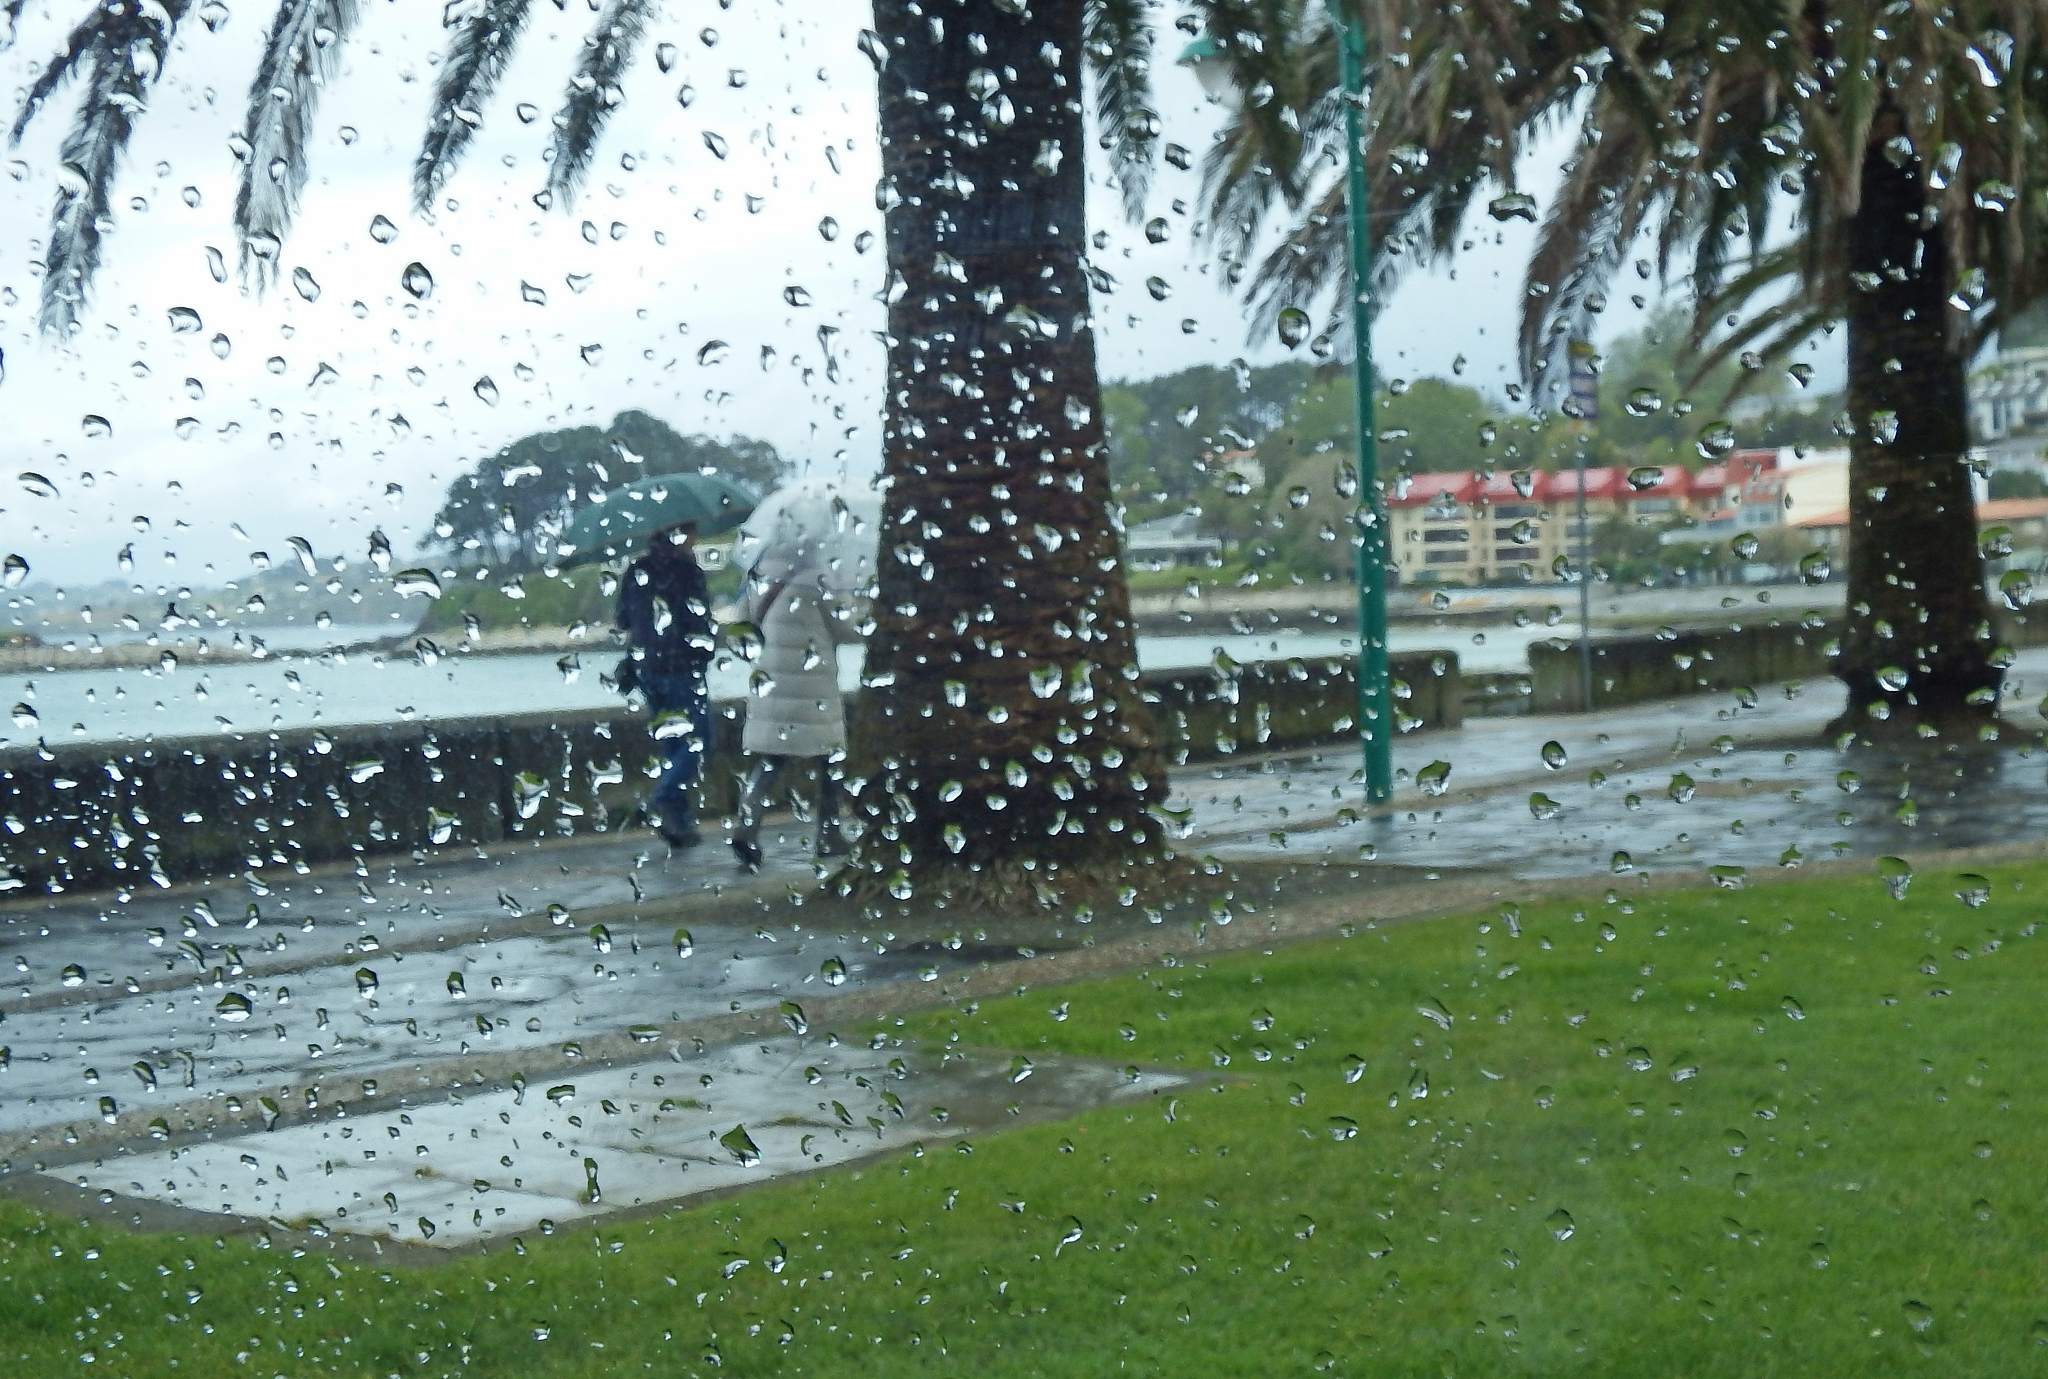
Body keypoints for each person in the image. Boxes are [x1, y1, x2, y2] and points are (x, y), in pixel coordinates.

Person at [730, 568, 867, 871]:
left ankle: (747, 825)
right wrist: (863, 605)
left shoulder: (760, 569)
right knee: (829, 757)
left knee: (772, 758)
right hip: (812, 681)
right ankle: (828, 834)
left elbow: (741, 623)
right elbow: (847, 626)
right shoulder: (821, 573)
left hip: (769, 678)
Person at [614, 522, 716, 849]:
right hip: (681, 667)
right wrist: (706, 648)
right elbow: (697, 619)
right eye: (692, 531)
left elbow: (622, 619)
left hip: (646, 670)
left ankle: (679, 825)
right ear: (681, 534)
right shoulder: (686, 570)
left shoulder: (636, 569)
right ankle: (663, 796)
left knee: (672, 743)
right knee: (700, 739)